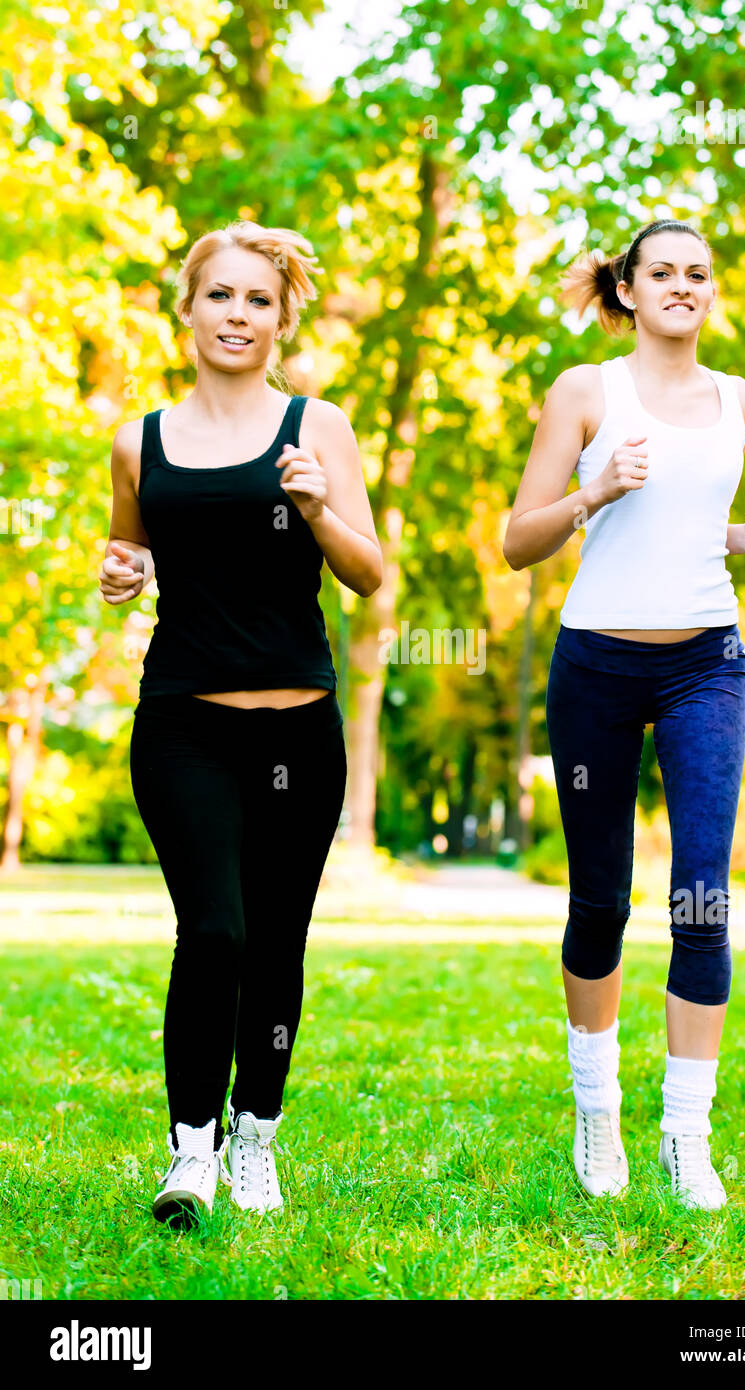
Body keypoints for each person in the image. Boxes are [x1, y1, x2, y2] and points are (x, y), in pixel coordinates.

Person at [503, 219, 745, 1211]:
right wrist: (593, 490)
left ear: (711, 291)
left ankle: (686, 1135)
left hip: (705, 665)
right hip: (596, 665)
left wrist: (741, 535)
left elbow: (680, 522)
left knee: (702, 899)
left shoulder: (739, 401)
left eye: (696, 273)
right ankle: (597, 1115)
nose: (681, 285)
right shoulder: (585, 391)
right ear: (626, 290)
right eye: (660, 272)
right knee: (601, 902)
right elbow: (517, 540)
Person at [99, 220, 382, 1227]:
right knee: (213, 929)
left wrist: (316, 509)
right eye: (219, 294)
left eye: (258, 299)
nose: (237, 314)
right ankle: (192, 1149)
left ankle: (255, 1135)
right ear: (187, 308)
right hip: (186, 725)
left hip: (299, 730)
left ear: (281, 319)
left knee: (275, 942)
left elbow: (368, 573)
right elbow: (130, 556)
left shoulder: (319, 428)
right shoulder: (139, 442)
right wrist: (120, 575)